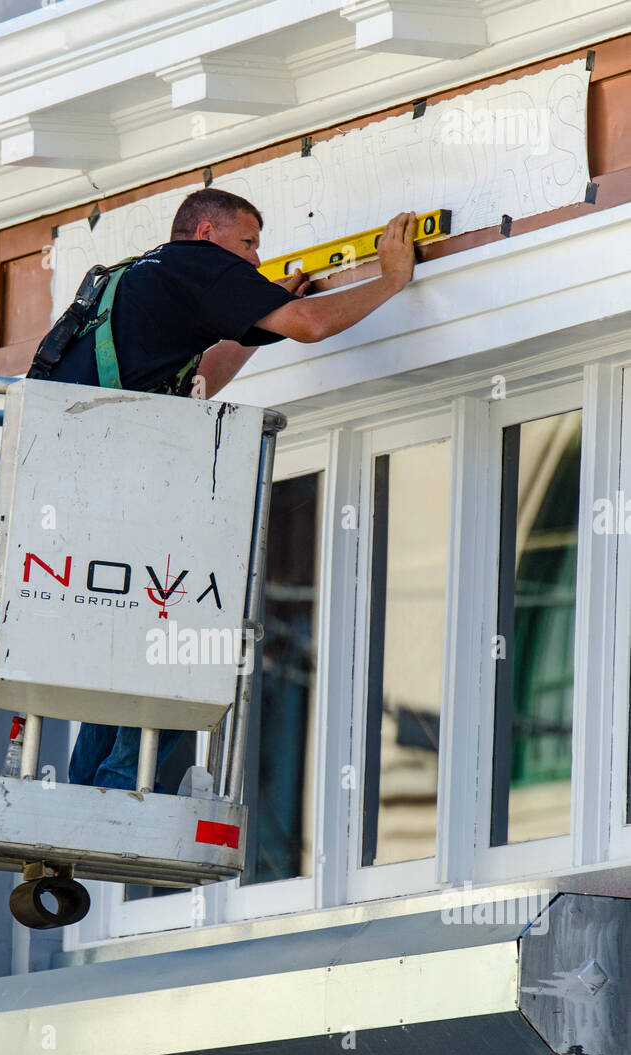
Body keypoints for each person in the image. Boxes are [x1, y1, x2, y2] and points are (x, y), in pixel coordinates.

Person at [29, 188, 416, 791]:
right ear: (207, 235)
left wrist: (261, 323)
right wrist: (390, 279)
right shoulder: (197, 264)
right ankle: (130, 786)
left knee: (130, 630)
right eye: (248, 243)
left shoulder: (134, 282)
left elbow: (200, 382)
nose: (255, 261)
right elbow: (312, 324)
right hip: (120, 489)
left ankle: (91, 789)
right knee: (185, 626)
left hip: (81, 493)